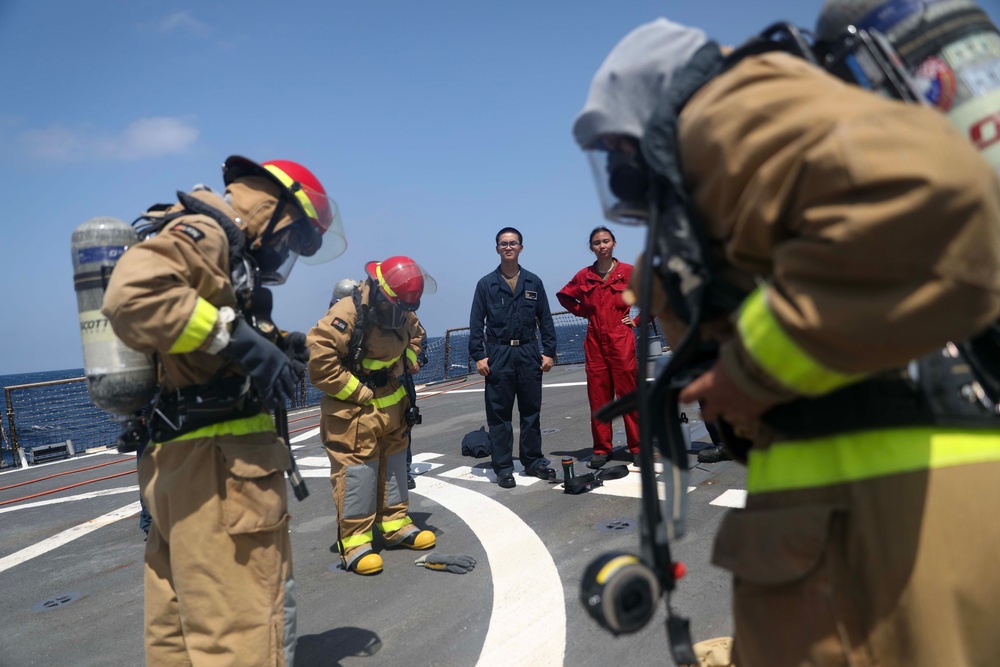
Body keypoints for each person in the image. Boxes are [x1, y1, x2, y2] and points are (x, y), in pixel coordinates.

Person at [573, 16, 1000, 667]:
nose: (620, 171)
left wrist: (751, 367)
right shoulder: (729, 160)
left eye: (616, 147)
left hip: (885, 525)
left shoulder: (725, 105)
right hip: (854, 531)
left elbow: (926, 196)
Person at [103, 155, 345, 666]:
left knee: (179, 638)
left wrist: (272, 343)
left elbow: (202, 336)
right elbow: (134, 298)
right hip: (222, 476)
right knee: (244, 637)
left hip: (181, 470)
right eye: (290, 238)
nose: (284, 252)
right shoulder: (209, 232)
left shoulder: (220, 248)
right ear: (273, 210)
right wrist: (241, 342)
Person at [307, 256, 436, 575]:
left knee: (394, 464)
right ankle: (355, 543)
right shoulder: (347, 313)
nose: (403, 313)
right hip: (354, 409)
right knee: (357, 474)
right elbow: (320, 361)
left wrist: (405, 362)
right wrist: (359, 391)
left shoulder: (402, 309)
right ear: (381, 292)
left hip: (392, 403)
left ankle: (395, 525)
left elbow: (417, 336)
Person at [469, 227, 558, 488]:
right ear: (497, 248)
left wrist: (549, 351)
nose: (508, 247)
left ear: (521, 247)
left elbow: (545, 318)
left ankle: (533, 461)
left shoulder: (533, 282)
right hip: (499, 354)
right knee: (499, 415)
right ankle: (504, 467)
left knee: (531, 411)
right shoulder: (486, 284)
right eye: (504, 243)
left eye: (513, 243)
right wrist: (479, 356)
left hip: (528, 352)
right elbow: (476, 322)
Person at [557, 226, 641, 469]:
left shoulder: (629, 272)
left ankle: (638, 447)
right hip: (594, 341)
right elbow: (564, 296)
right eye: (597, 242)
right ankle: (602, 449)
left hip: (620, 339)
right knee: (598, 397)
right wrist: (584, 312)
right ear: (591, 247)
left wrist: (636, 321)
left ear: (614, 243)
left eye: (606, 241)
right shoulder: (584, 276)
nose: (602, 246)